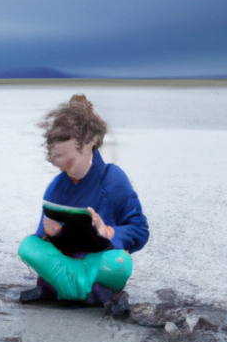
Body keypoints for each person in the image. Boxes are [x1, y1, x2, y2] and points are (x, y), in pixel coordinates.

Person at [18, 94, 149, 317]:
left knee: (120, 263)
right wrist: (51, 234)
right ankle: (87, 292)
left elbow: (139, 231)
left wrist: (107, 232)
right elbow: (42, 245)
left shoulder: (113, 178)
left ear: (87, 143)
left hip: (100, 263)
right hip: (69, 263)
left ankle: (66, 289)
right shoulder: (56, 187)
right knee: (28, 246)